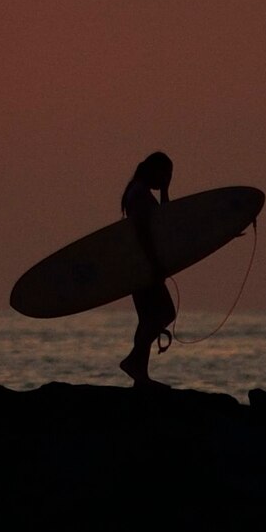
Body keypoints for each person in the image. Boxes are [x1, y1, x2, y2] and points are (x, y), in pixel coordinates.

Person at [119, 150, 176, 387]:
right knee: (164, 313)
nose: (166, 179)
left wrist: (164, 190)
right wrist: (155, 265)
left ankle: (140, 376)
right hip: (144, 266)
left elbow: (166, 220)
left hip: (139, 266)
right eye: (165, 175)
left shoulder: (138, 192)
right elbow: (143, 234)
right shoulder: (139, 195)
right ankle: (134, 362)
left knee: (147, 319)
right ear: (155, 170)